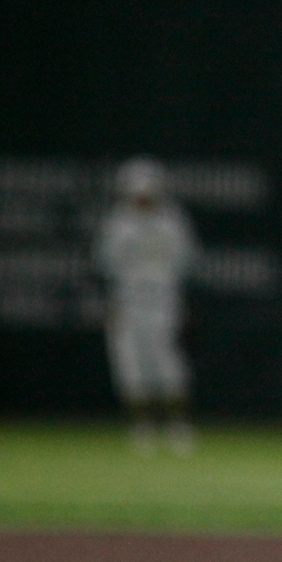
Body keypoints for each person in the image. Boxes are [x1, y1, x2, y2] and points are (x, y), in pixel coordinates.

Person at [94, 157, 199, 455]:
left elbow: (185, 264)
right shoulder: (117, 224)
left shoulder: (172, 223)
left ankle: (179, 425)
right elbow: (106, 266)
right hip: (128, 304)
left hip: (163, 303)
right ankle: (143, 428)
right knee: (130, 368)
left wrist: (182, 304)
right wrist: (112, 304)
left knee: (167, 365)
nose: (142, 198)